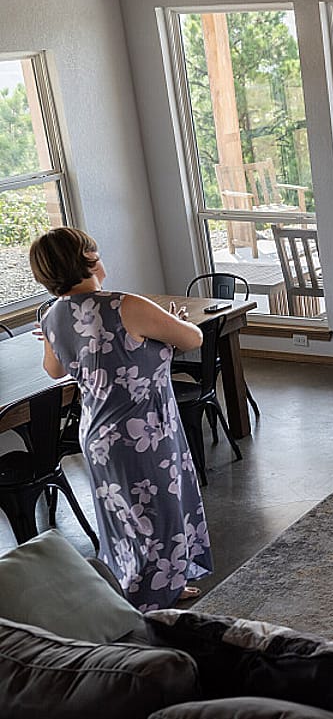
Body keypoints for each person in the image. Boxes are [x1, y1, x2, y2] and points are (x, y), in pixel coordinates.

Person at [30, 227, 214, 610]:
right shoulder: (125, 305)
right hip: (143, 431)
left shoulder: (53, 315)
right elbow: (193, 338)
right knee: (160, 512)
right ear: (89, 258)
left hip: (98, 434)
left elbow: (53, 370)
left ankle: (163, 584)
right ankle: (152, 598)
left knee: (126, 519)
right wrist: (169, 322)